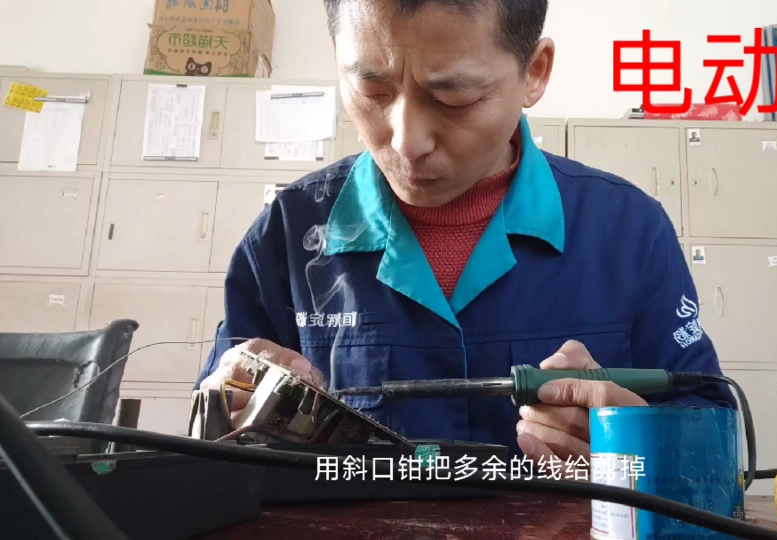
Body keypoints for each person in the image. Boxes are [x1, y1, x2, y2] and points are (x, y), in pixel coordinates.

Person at [196, 0, 734, 463]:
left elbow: (715, 434)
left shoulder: (627, 231)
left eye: (454, 98)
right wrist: (226, 406)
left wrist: (634, 438)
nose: (407, 142)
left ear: (534, 72)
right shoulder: (288, 233)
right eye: (372, 89)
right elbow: (212, 436)